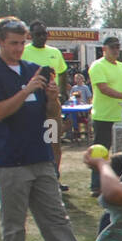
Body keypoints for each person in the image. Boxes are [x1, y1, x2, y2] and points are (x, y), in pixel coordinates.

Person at [0, 18, 87, 241]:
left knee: (56, 218)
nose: (18, 49)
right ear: (0, 42)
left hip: (40, 155)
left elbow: (51, 115)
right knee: (13, 223)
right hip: (10, 158)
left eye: (22, 43)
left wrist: (51, 98)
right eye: (13, 43)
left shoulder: (33, 69)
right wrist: (25, 90)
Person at [21, 20, 69, 190]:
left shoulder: (55, 52)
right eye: (38, 34)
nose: (42, 37)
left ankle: (54, 178)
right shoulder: (24, 52)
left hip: (51, 103)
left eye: (44, 33)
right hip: (30, 103)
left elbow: (63, 72)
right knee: (31, 141)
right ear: (30, 36)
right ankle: (31, 180)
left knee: (53, 140)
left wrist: (63, 93)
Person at [87, 37, 122, 197]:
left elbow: (121, 85)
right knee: (100, 151)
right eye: (112, 47)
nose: (116, 50)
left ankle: (119, 181)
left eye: (118, 47)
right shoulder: (98, 66)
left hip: (120, 115)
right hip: (103, 115)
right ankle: (96, 185)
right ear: (104, 49)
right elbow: (104, 89)